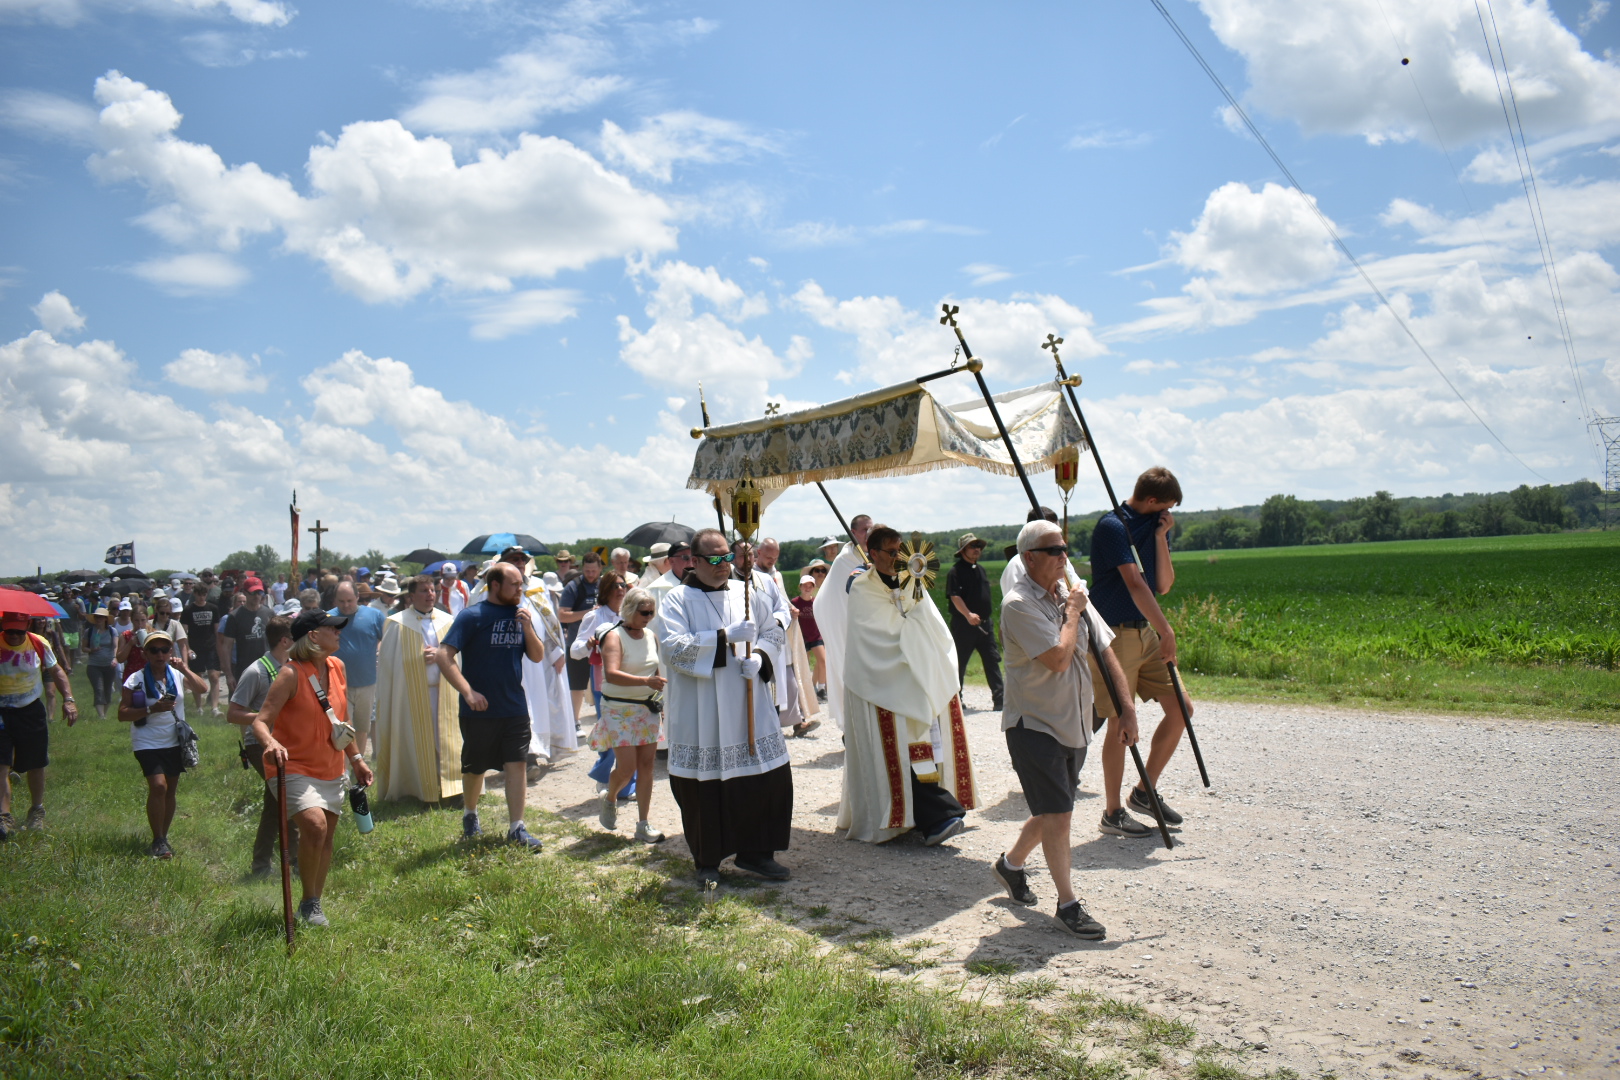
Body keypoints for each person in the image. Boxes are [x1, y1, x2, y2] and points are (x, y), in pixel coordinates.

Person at [993, 520, 1138, 939]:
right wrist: (1073, 612)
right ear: (1029, 558)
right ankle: (1068, 904)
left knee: (1053, 808)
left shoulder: (1070, 593)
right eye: (1053, 550)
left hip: (1073, 721)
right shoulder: (1018, 604)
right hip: (1034, 724)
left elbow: (1105, 650)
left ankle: (1010, 864)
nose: (1063, 556)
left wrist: (1126, 710)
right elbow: (1057, 658)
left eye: (1064, 548)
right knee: (1060, 812)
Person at [655, 527, 793, 886]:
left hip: (749, 704)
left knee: (765, 777)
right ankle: (708, 860)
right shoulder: (677, 599)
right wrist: (723, 637)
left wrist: (761, 657)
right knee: (705, 786)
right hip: (702, 711)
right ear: (694, 561)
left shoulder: (747, 592)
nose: (724, 565)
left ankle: (757, 853)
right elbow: (672, 650)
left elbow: (773, 630)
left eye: (728, 557)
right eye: (715, 559)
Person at [838, 525, 977, 845]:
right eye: (891, 552)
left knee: (924, 746)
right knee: (900, 751)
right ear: (873, 554)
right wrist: (907, 626)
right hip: (884, 682)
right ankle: (931, 816)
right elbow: (874, 634)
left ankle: (935, 814)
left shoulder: (911, 580)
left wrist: (912, 617)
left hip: (917, 675)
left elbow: (930, 624)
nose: (898, 558)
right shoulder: (862, 588)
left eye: (901, 551)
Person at [1086, 467, 1194, 838]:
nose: (1168, 514)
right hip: (1113, 633)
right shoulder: (1113, 526)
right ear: (1150, 500)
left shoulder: (1155, 525)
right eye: (1165, 507)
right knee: (1121, 722)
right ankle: (1112, 812)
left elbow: (1162, 585)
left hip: (1144, 630)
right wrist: (1167, 630)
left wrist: (1162, 537)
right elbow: (1133, 582)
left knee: (1182, 708)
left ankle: (1144, 791)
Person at [252, 611, 373, 925]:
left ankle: (312, 903)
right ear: (314, 636)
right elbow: (260, 722)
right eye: (332, 628)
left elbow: (341, 721)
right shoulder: (290, 674)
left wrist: (357, 759)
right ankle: (308, 901)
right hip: (293, 766)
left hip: (331, 767)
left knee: (325, 837)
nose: (339, 632)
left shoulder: (338, 667)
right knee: (315, 827)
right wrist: (271, 743)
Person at [436, 563, 547, 850]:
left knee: (517, 763)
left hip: (514, 706)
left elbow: (537, 656)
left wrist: (527, 627)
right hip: (479, 710)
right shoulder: (472, 616)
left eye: (521, 584)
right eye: (514, 585)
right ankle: (470, 814)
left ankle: (517, 827)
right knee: (475, 768)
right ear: (495, 585)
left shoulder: (521, 615)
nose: (520, 589)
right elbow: (443, 655)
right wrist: (468, 692)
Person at [470, 548, 575, 767]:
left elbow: (549, 622)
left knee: (539, 703)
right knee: (517, 704)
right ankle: (523, 755)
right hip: (504, 657)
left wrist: (556, 651)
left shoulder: (536, 586)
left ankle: (538, 749)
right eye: (514, 559)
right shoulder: (488, 590)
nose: (520, 562)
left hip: (536, 659)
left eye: (523, 560)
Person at [117, 629, 206, 858]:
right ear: (145, 653)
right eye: (154, 650)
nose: (160, 654)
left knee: (170, 790)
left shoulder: (176, 674)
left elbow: (202, 688)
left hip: (174, 740)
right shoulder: (135, 679)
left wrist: (184, 668)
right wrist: (151, 709)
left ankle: (162, 838)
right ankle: (157, 839)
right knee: (158, 786)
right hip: (147, 740)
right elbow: (122, 713)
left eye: (165, 650)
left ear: (170, 652)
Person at [374, 576, 463, 803]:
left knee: (444, 739)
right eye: (424, 591)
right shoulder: (397, 624)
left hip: (443, 692)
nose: (430, 594)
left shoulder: (447, 621)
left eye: (432, 590)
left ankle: (451, 788)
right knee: (417, 741)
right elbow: (389, 666)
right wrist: (415, 658)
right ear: (411, 596)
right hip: (411, 695)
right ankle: (418, 789)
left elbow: (459, 657)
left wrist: (441, 655)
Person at [594, 586, 666, 844]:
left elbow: (655, 672)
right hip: (619, 709)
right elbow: (611, 674)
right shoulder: (614, 637)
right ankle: (610, 796)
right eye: (644, 612)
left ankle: (643, 823)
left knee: (647, 766)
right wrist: (646, 681)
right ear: (629, 610)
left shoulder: (651, 636)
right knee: (627, 768)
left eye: (652, 612)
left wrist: (659, 700)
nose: (648, 617)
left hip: (646, 708)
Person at [226, 615, 296, 876]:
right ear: (285, 641)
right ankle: (294, 862)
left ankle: (264, 865)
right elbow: (233, 713)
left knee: (277, 802)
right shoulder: (256, 671)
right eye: (297, 636)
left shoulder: (292, 666)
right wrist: (264, 718)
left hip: (285, 744)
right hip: (259, 744)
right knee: (287, 797)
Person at [0, 612, 77, 838]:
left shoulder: (37, 643)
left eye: (19, 631)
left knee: (36, 763)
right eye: (9, 631)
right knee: (1, 764)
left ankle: (36, 810)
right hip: (1, 713)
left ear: (27, 626)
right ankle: (4, 816)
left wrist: (69, 700)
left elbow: (56, 671)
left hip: (30, 711)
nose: (14, 636)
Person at [811, 513, 871, 732]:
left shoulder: (876, 554)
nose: (868, 534)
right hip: (846, 626)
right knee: (848, 671)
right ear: (853, 533)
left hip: (870, 625)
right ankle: (852, 726)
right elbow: (832, 597)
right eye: (864, 530)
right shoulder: (844, 560)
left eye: (871, 529)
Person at [754, 537, 819, 736]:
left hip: (782, 632)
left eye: (775, 558)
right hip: (762, 635)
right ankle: (769, 725)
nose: (772, 561)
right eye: (768, 557)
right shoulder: (751, 576)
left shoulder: (777, 576)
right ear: (759, 553)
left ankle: (798, 720)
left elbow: (781, 599)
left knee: (790, 678)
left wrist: (790, 609)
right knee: (770, 682)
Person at [946, 533, 1005, 711]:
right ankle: (956, 700)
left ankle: (1000, 700)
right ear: (963, 550)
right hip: (964, 625)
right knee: (959, 663)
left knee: (992, 661)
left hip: (984, 625)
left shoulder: (980, 570)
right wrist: (968, 615)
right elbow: (954, 596)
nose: (977, 549)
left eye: (979, 546)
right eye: (972, 546)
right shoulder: (955, 571)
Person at [329, 582, 385, 756]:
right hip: (338, 684)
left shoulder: (374, 616)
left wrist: (379, 651)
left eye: (350, 600)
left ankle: (358, 764)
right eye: (341, 601)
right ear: (335, 600)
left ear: (357, 597)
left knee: (362, 727)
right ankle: (343, 767)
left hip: (367, 682)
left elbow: (386, 638)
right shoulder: (328, 618)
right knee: (343, 728)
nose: (346, 605)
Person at [559, 551, 602, 723]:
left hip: (602, 644)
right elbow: (562, 615)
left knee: (603, 684)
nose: (590, 574)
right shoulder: (573, 587)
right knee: (577, 685)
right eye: (587, 571)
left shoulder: (605, 585)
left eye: (593, 571)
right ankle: (574, 721)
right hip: (578, 643)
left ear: (600, 569)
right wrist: (589, 612)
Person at [220, 582, 271, 696]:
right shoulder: (235, 616)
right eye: (253, 593)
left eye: (259, 592)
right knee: (242, 703)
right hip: (244, 669)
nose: (257, 596)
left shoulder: (269, 613)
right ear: (245, 593)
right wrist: (229, 675)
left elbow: (277, 642)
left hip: (267, 668)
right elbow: (227, 647)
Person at [180, 583, 224, 716]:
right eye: (199, 594)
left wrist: (219, 647)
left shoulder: (213, 608)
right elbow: (184, 633)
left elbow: (216, 630)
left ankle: (214, 708)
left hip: (210, 646)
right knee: (197, 677)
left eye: (204, 595)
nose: (201, 597)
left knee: (214, 676)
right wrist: (188, 649)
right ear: (195, 594)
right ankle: (199, 707)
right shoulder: (188, 610)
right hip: (195, 647)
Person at [791, 574, 827, 703]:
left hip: (816, 635)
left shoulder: (816, 602)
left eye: (810, 586)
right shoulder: (794, 602)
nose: (807, 588)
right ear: (800, 587)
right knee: (804, 665)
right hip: (802, 637)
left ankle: (821, 689)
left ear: (814, 588)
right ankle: (806, 690)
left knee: (823, 661)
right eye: (805, 586)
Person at [83, 606, 119, 720]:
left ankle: (104, 713)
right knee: (99, 689)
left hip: (109, 664)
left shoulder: (112, 631)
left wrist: (115, 658)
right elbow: (83, 648)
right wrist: (91, 650)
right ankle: (101, 716)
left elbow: (115, 646)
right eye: (97, 617)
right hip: (94, 665)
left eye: (101, 617)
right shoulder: (89, 632)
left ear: (105, 619)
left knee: (108, 690)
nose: (98, 619)